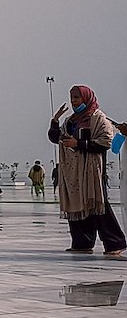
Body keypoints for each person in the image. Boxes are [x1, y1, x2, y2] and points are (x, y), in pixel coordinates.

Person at [48, 85, 126, 256]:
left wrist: (79, 144)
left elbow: (106, 142)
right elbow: (56, 139)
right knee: (77, 205)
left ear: (86, 98)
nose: (74, 101)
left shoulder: (99, 119)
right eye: (72, 98)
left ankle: (115, 243)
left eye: (77, 97)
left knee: (97, 205)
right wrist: (55, 121)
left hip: (92, 170)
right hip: (73, 171)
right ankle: (82, 242)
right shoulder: (70, 121)